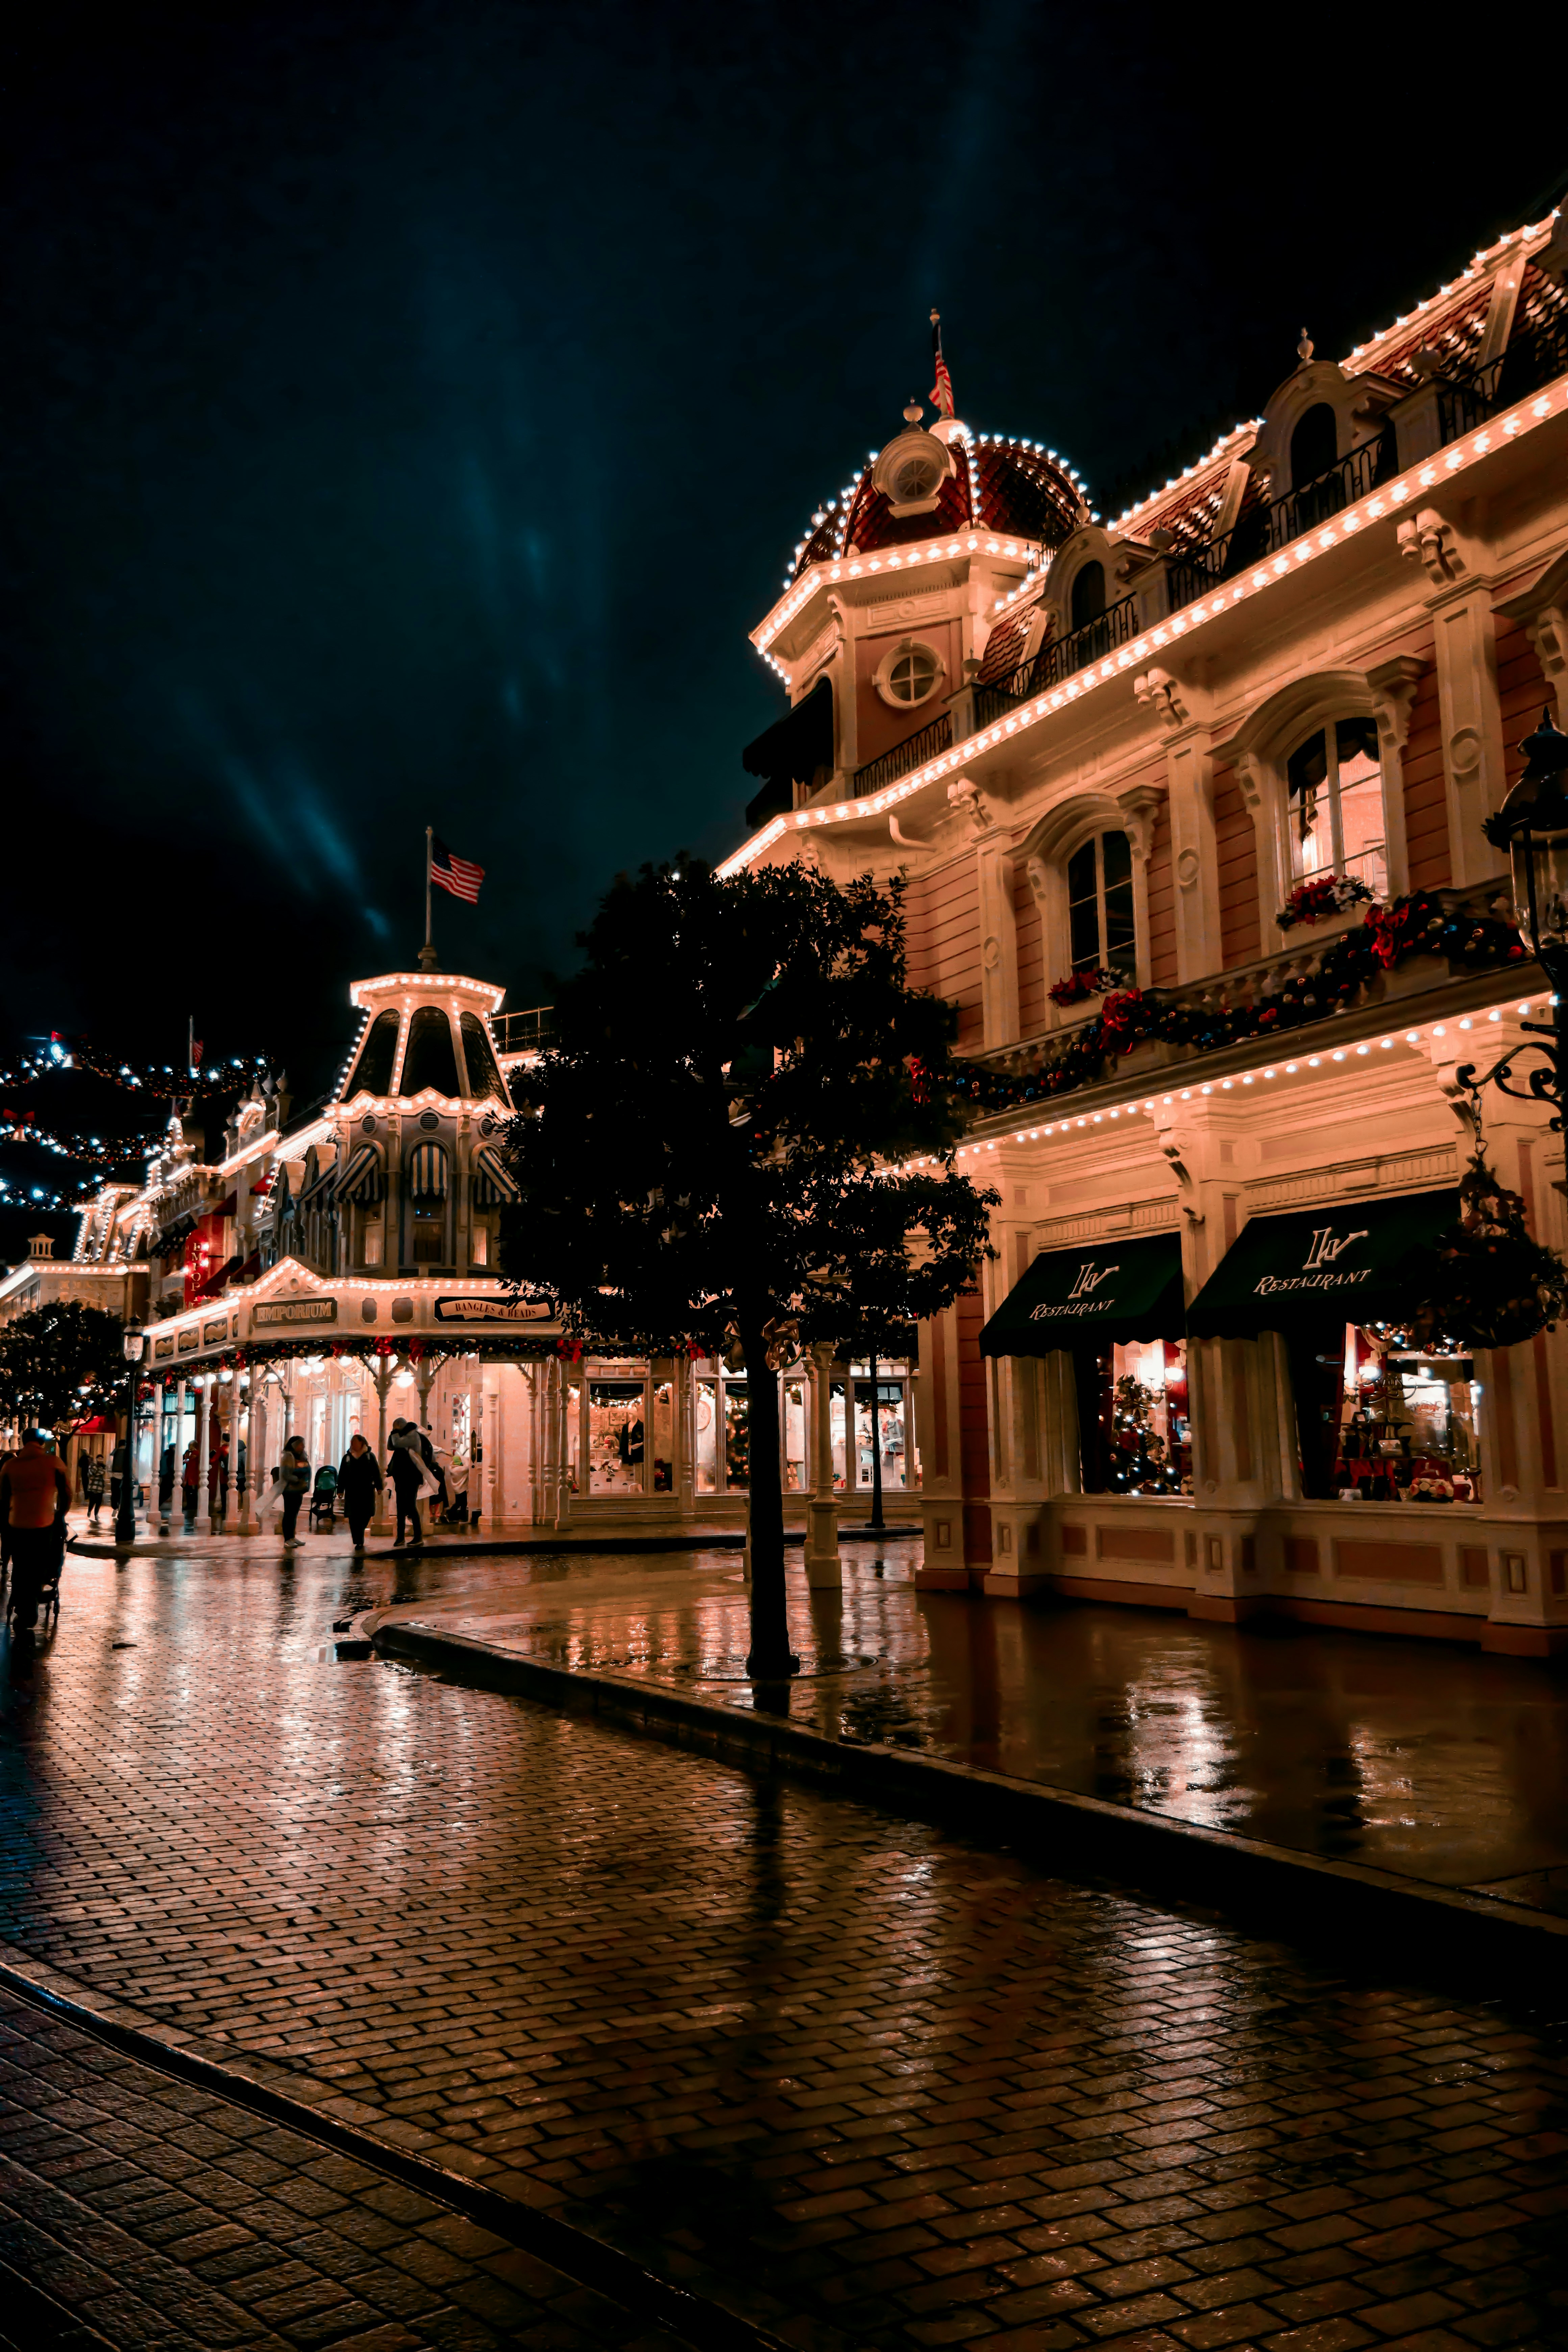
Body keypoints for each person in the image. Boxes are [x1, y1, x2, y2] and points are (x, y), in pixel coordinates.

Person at [1, 1429, 70, 1638]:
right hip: (44, 1523)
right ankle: (30, 1612)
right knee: (38, 1567)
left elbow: (4, 1500)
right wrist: (60, 1515)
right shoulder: (53, 1463)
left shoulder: (10, 1466)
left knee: (21, 1567)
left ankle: (24, 1611)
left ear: (23, 1442)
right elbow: (66, 1493)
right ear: (42, 1442)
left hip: (17, 1524)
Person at [387, 1418, 433, 1547]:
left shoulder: (413, 1435)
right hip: (402, 1477)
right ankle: (401, 1537)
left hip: (411, 1477)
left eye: (395, 1428)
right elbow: (390, 1446)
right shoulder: (404, 1436)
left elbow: (395, 1443)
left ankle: (418, 1537)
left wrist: (395, 1433)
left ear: (400, 1427)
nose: (394, 1431)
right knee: (401, 1508)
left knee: (411, 1506)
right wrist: (394, 1433)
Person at [336, 1434, 382, 1551]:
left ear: (362, 1443)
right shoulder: (347, 1458)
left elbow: (376, 1472)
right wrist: (340, 1489)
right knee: (353, 1516)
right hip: (352, 1491)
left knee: (367, 1514)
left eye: (355, 1442)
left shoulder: (370, 1457)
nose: (353, 1444)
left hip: (367, 1491)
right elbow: (342, 1474)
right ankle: (358, 1540)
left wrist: (379, 1486)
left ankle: (360, 1532)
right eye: (352, 1442)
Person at [276, 1435, 311, 1548]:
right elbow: (286, 1474)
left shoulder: (301, 1456)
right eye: (301, 1444)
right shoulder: (288, 1456)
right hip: (290, 1490)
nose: (303, 1447)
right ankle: (287, 1539)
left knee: (294, 1515)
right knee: (289, 1515)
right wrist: (298, 1479)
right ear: (295, 1445)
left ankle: (292, 1537)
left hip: (299, 1490)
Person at [82, 1451, 107, 1523]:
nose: (101, 1460)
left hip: (100, 1488)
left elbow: (102, 1473)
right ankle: (89, 1511)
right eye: (99, 1459)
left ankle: (96, 1514)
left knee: (99, 1503)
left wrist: (97, 1472)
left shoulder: (102, 1467)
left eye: (102, 1459)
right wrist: (99, 1471)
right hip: (93, 1488)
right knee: (92, 1502)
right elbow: (91, 1475)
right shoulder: (92, 1466)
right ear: (96, 1459)